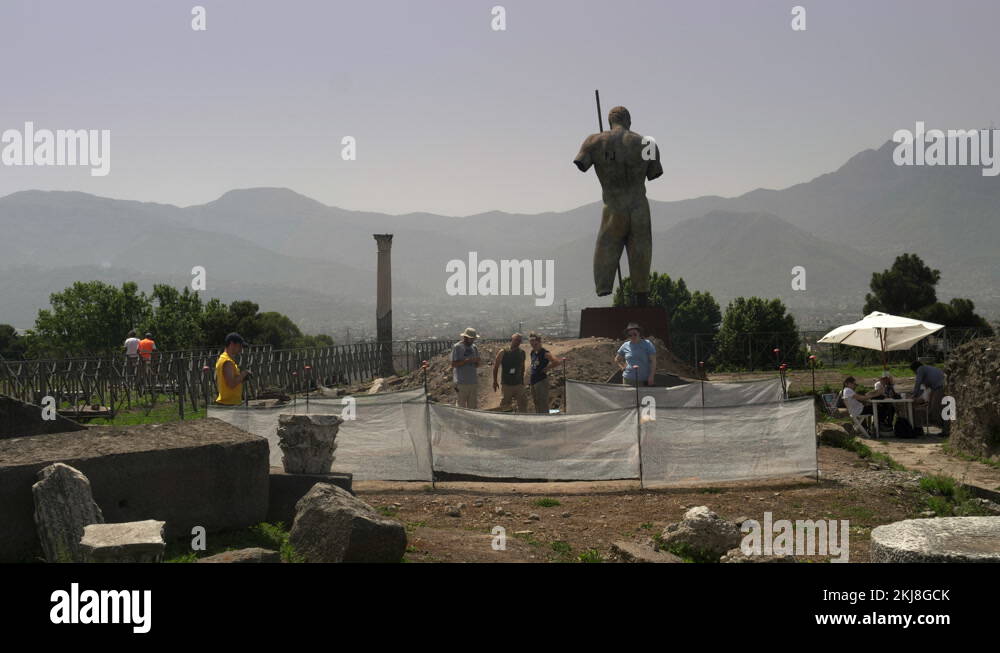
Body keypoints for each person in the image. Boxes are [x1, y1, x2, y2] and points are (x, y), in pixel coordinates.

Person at [573, 106, 663, 306]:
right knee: (641, 251)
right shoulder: (647, 143)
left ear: (609, 121)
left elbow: (582, 163)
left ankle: (604, 287)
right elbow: (654, 172)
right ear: (629, 120)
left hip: (613, 207)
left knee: (607, 246)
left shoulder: (594, 141)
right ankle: (641, 295)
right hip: (639, 206)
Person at [910, 361, 949, 436]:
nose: (915, 373)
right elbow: (927, 387)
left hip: (940, 387)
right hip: (940, 387)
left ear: (915, 369)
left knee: (936, 409)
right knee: (941, 409)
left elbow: (918, 382)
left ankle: (946, 430)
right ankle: (945, 430)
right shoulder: (927, 369)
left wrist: (913, 395)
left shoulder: (921, 369)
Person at [493, 333, 527, 412]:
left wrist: (522, 380)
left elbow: (523, 367)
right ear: (512, 340)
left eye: (519, 340)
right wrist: (495, 381)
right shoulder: (503, 352)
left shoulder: (522, 353)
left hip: (518, 384)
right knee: (505, 406)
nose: (517, 342)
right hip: (507, 385)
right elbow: (496, 367)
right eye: (516, 340)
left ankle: (523, 421)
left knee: (523, 404)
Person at [528, 332, 561, 413]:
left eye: (533, 340)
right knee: (536, 402)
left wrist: (547, 368)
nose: (532, 343)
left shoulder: (544, 353)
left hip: (541, 381)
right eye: (530, 341)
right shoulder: (532, 352)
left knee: (542, 403)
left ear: (538, 341)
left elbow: (556, 361)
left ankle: (545, 421)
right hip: (533, 381)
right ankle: (539, 420)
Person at [215, 332, 251, 405]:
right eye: (239, 346)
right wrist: (244, 374)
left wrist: (241, 378)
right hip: (228, 404)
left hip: (230, 403)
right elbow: (231, 384)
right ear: (232, 344)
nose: (241, 349)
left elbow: (231, 380)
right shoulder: (227, 361)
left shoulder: (225, 359)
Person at [451, 327, 481, 409]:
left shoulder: (474, 347)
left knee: (473, 408)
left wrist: (476, 361)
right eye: (471, 339)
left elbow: (477, 365)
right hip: (461, 383)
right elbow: (453, 364)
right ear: (465, 337)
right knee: (461, 408)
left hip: (472, 382)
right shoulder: (457, 347)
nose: (472, 341)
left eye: (473, 339)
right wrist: (466, 361)